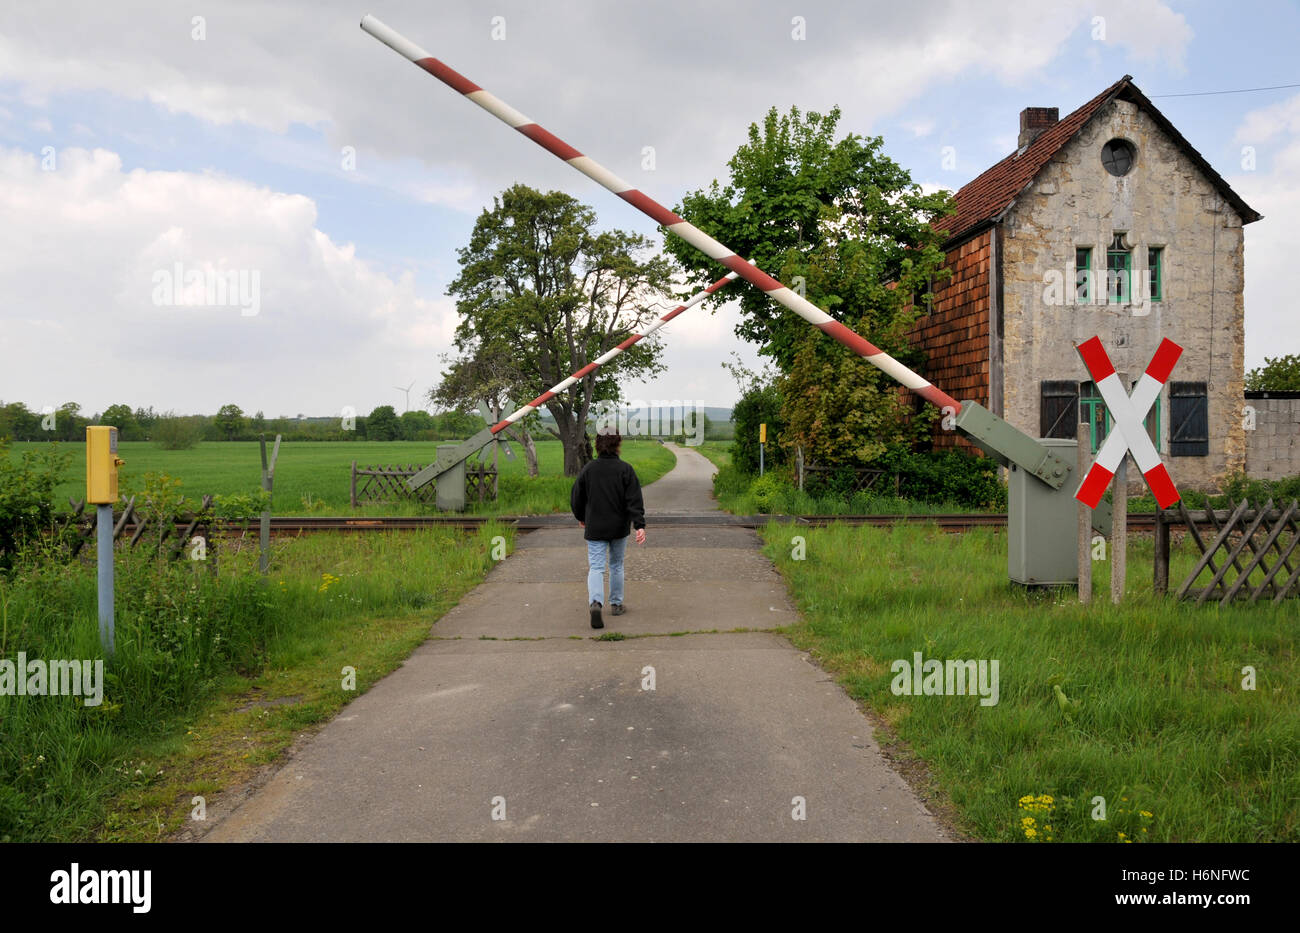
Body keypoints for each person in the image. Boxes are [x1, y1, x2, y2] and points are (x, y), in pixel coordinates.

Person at [570, 430, 646, 629]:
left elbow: (577, 496)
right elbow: (634, 500)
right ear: (618, 445)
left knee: (596, 567)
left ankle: (595, 602)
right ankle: (616, 604)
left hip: (595, 527)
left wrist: (581, 517)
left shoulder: (589, 469)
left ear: (597, 445)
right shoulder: (625, 469)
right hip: (619, 527)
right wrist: (639, 525)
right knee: (616, 565)